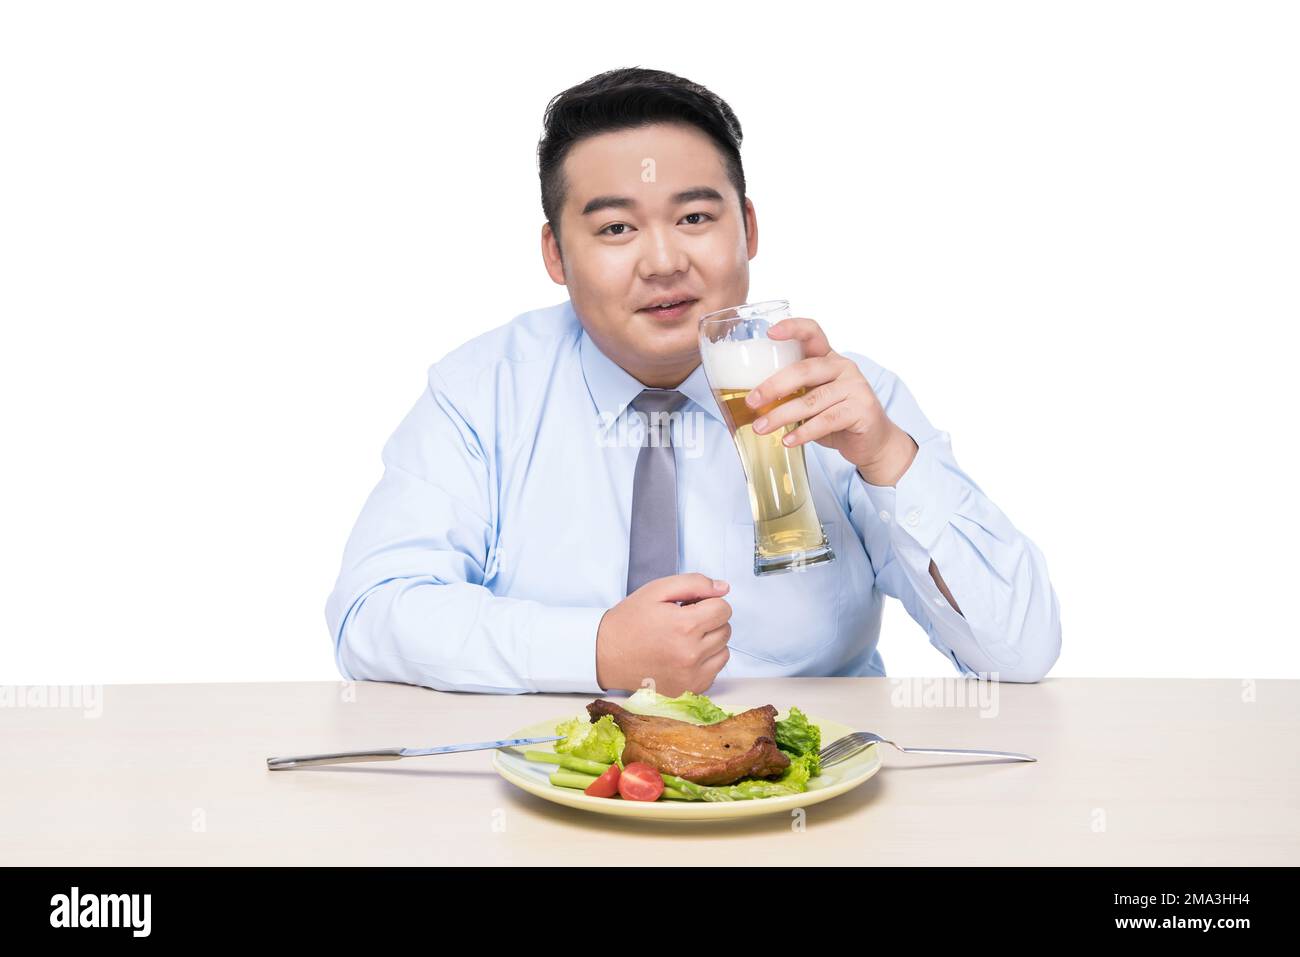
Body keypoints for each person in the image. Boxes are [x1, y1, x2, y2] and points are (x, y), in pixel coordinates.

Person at [324, 67, 1061, 696]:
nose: (664, 261)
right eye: (616, 229)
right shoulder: (483, 391)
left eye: (696, 217)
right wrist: (597, 648)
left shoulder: (837, 398)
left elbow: (1020, 653)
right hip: (558, 789)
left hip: (809, 793)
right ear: (555, 253)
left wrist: (890, 460)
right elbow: (372, 615)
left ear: (748, 227)